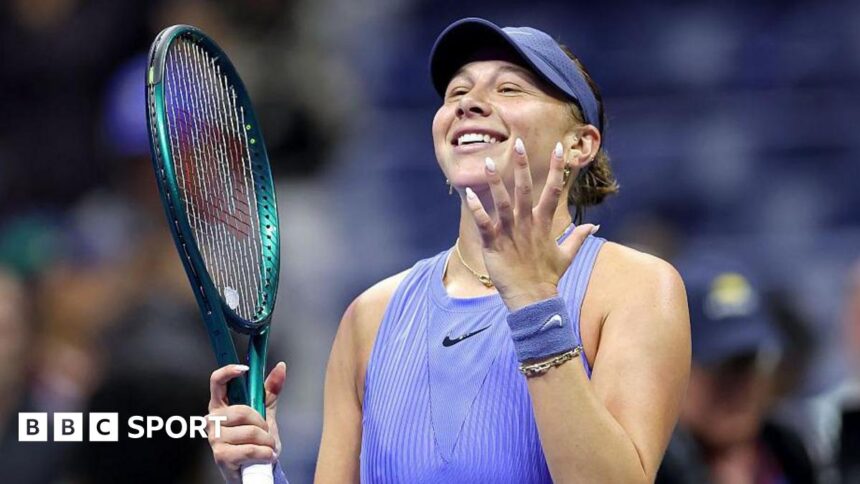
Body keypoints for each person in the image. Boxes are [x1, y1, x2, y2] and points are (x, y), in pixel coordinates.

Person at [206, 17, 691, 483]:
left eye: (509, 89)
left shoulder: (637, 289)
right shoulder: (368, 318)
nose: (469, 103)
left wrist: (534, 304)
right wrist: (257, 469)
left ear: (582, 144)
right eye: (457, 92)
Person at [656, 253, 818, 484]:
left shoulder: (789, 451)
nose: (738, 386)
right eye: (720, 367)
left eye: (748, 362)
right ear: (673, 367)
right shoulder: (647, 468)